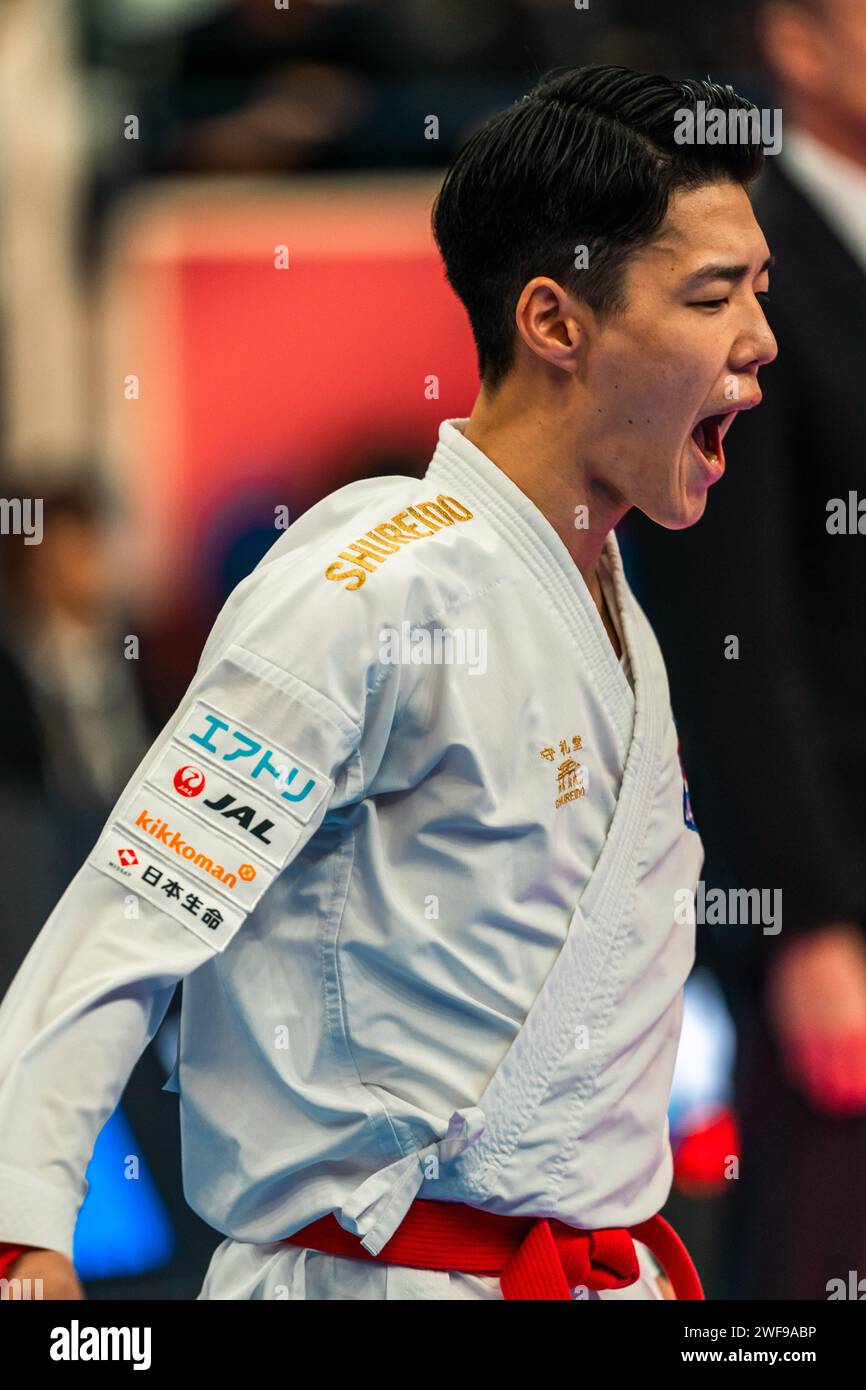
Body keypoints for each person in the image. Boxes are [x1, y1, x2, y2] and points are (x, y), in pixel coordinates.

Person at [0, 63, 776, 1302]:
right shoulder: (374, 588)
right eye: (710, 295)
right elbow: (139, 904)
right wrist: (24, 1227)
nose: (758, 339)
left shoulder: (617, 603)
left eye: (760, 289)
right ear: (552, 322)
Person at [622, 0, 866, 1299]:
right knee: (813, 1260)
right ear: (799, 39)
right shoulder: (735, 261)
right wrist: (809, 923)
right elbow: (732, 634)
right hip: (826, 889)